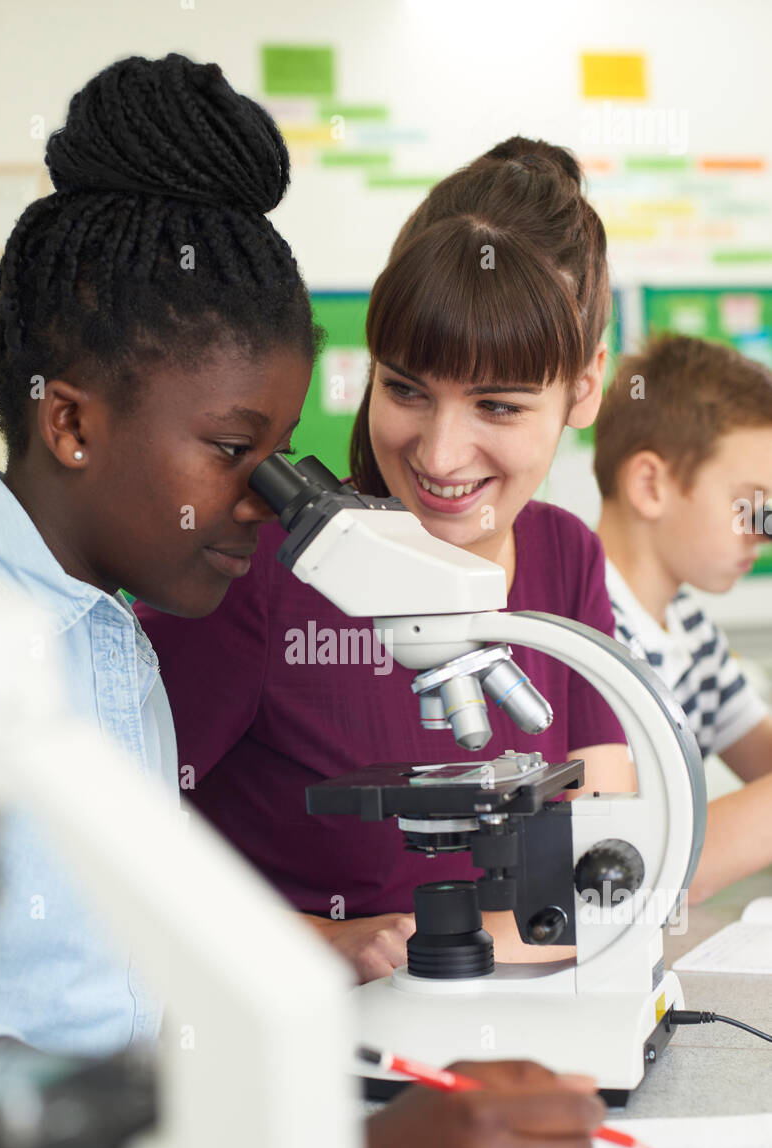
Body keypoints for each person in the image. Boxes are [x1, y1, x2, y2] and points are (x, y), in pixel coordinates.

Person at [0, 57, 603, 1148]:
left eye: (285, 452)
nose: (272, 505)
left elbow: (114, 1025)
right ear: (69, 421)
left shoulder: (110, 638)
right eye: (236, 450)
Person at [137, 137, 635, 973]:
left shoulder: (564, 555)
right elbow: (103, 839)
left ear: (583, 388)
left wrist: (464, 957)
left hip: (503, 1039)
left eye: (497, 406)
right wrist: (319, 938)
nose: (440, 456)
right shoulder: (256, 567)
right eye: (405, 388)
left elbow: (594, 865)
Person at [595, 334, 772, 902]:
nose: (765, 532)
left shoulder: (686, 624)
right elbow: (630, 873)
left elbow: (761, 756)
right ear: (651, 485)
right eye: (751, 504)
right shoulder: (587, 632)